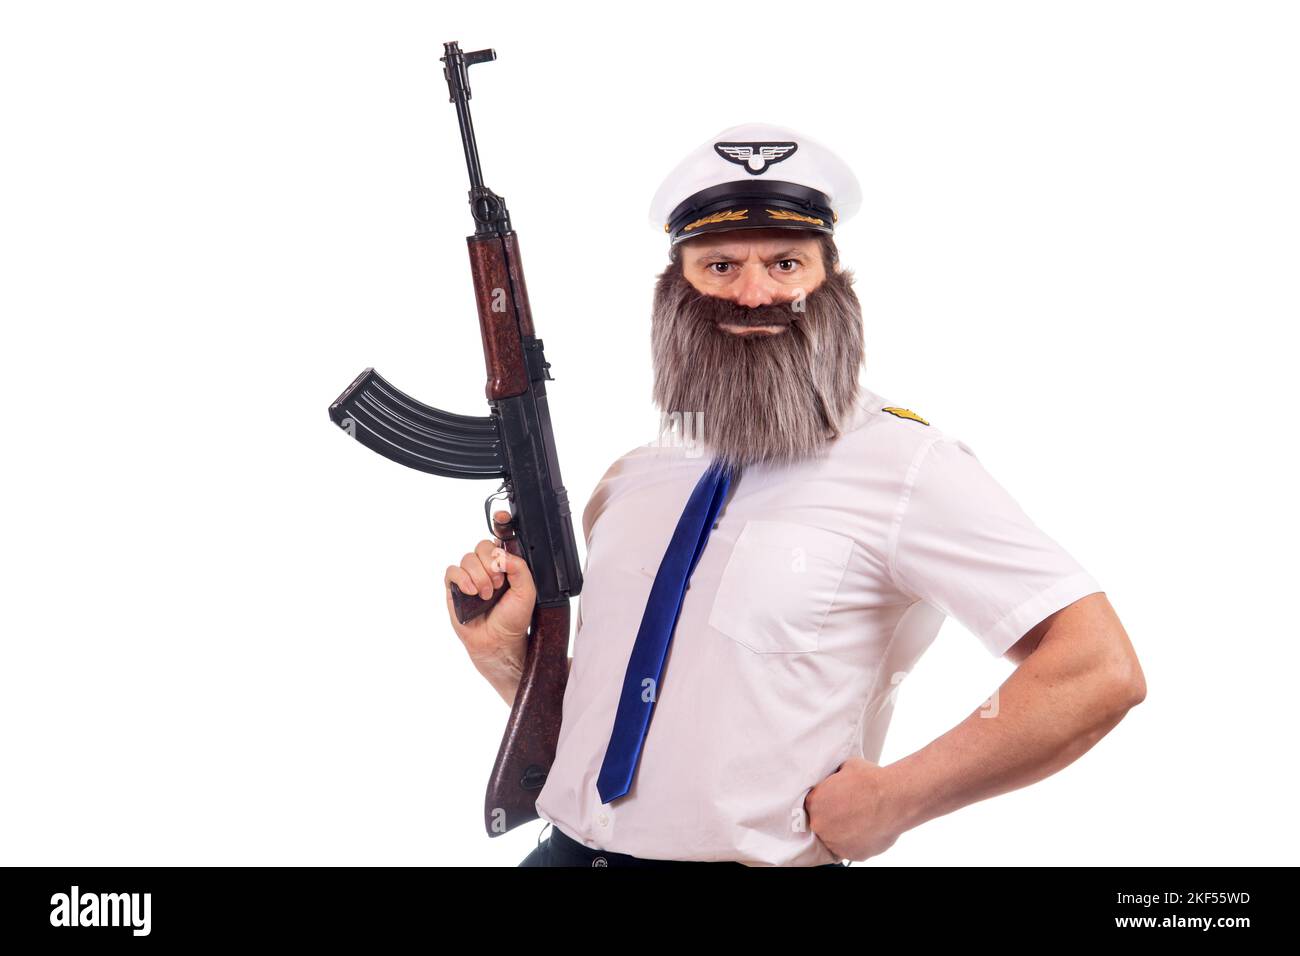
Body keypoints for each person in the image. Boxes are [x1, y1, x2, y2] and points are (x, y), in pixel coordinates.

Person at [444, 123, 1146, 867]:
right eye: (719, 265)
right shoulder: (633, 479)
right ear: (674, 293)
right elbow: (625, 725)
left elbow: (1097, 668)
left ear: (832, 283)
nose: (755, 294)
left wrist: (901, 797)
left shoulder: (907, 465)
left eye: (786, 263)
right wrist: (506, 661)